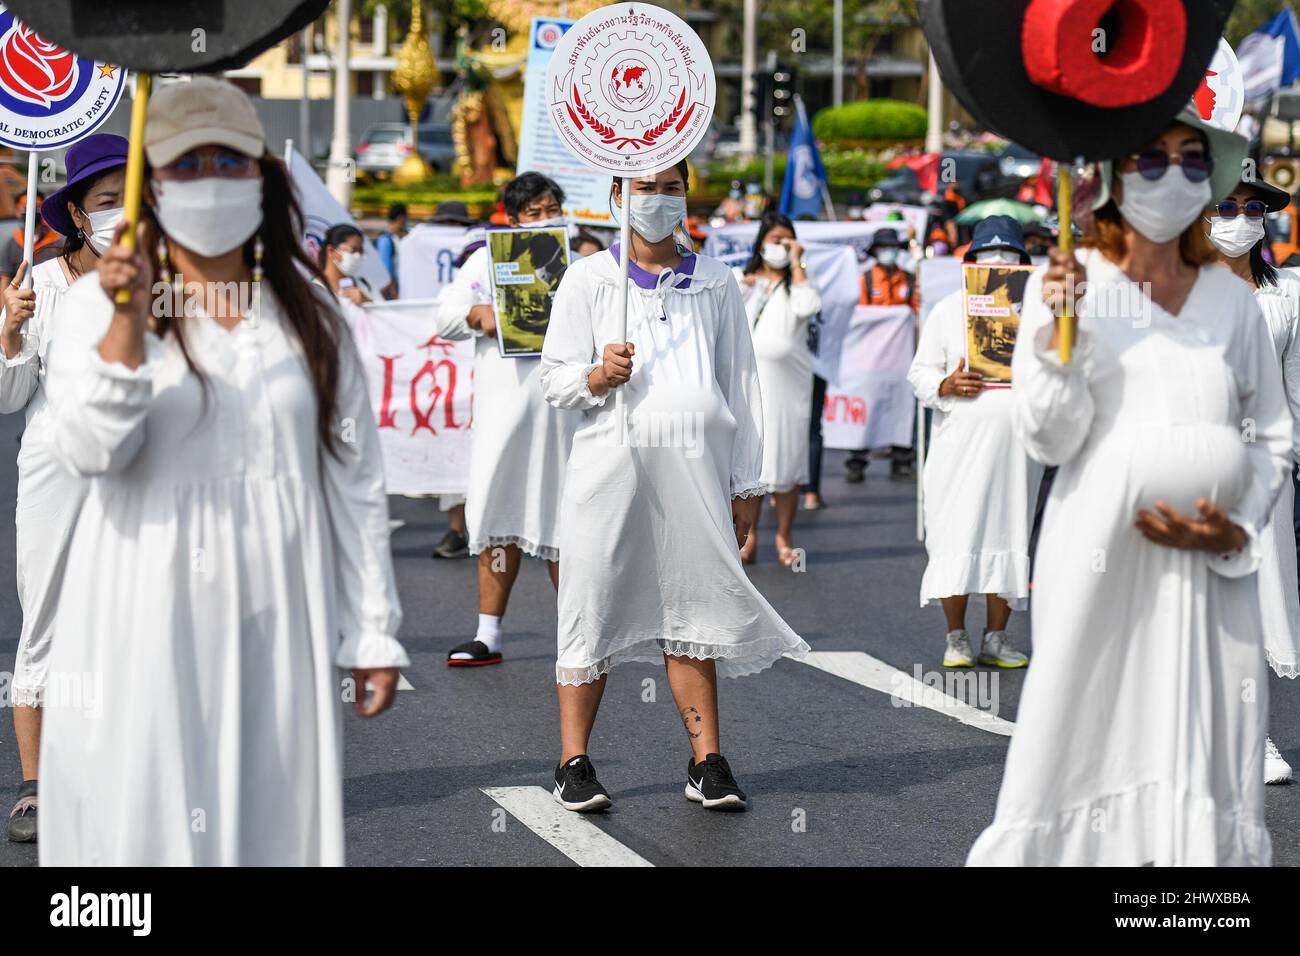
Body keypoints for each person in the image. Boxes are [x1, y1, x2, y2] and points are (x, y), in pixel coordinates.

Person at [37, 77, 407, 865]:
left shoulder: (310, 309)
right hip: (139, 616)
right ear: (153, 183)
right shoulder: (95, 307)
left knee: (270, 824)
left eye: (229, 161)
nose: (209, 179)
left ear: (262, 178)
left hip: (281, 618)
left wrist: (372, 626)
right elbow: (90, 450)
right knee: (142, 829)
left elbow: (354, 478)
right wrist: (127, 333)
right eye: (185, 163)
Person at [969, 110, 1288, 865]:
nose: (1172, 175)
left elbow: (1273, 434)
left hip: (1215, 570)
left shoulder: (1232, 300)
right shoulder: (1081, 291)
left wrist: (1235, 525)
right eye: (1151, 160)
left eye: (1189, 160)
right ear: (1112, 180)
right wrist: (1054, 333)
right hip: (1102, 556)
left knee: (1213, 738)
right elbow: (1047, 437)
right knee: (1087, 728)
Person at [539, 160, 809, 813]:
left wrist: (747, 483)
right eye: (643, 189)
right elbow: (554, 380)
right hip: (608, 474)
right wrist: (598, 376)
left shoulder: (714, 283)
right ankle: (573, 762)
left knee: (693, 612)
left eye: (670, 189)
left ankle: (706, 762)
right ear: (615, 196)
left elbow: (741, 386)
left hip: (694, 472)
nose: (657, 201)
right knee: (591, 604)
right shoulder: (588, 280)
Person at [0, 133, 127, 843]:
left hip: (134, 473)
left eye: (130, 201)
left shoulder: (161, 281)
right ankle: (36, 783)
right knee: (45, 617)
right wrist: (11, 337)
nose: (120, 215)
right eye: (106, 203)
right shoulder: (40, 283)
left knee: (132, 618)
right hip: (53, 471)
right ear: (77, 213)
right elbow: (9, 397)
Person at [434, 172, 577, 666]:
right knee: (498, 520)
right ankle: (488, 634)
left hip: (565, 419)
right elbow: (444, 318)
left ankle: (577, 637)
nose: (544, 219)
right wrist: (481, 315)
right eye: (533, 213)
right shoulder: (484, 261)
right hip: (503, 418)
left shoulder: (580, 266)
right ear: (512, 219)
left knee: (567, 526)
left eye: (551, 209)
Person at [907, 215, 1040, 670]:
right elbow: (919, 374)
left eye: (1008, 256)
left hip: (1018, 450)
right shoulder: (947, 310)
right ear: (971, 263)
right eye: (988, 256)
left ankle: (997, 637)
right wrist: (947, 383)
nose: (998, 263)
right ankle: (957, 636)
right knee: (956, 535)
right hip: (958, 448)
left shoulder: (1041, 314)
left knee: (1009, 534)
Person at [1205, 175, 1300, 785]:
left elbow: (1297, 384)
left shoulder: (1288, 292)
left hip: (1266, 468)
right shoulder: (1166, 291)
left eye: (1254, 207)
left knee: (1256, 598)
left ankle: (1253, 736)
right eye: (1228, 205)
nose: (1241, 217)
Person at [734, 212, 821, 564]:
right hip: (748, 385)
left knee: (786, 461)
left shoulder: (801, 283)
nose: (781, 247)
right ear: (761, 244)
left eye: (788, 240)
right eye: (775, 240)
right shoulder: (742, 281)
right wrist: (747, 284)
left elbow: (808, 307)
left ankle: (785, 537)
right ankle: (749, 536)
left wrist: (798, 262)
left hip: (789, 388)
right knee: (752, 463)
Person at [847, 227, 917, 483]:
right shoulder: (864, 279)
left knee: (901, 406)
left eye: (892, 247)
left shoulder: (909, 279)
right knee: (867, 407)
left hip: (900, 357)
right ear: (876, 251)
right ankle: (856, 460)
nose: (889, 252)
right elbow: (860, 318)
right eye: (884, 247)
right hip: (871, 357)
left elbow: (916, 314)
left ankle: (901, 459)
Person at [0, 194, 62, 289]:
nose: (31, 211)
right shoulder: (11, 244)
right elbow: (5, 278)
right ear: (17, 211)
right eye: (25, 208)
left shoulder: (58, 243)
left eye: (37, 207)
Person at [318, 223, 376, 305]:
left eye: (360, 251)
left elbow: (387, 314)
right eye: (353, 250)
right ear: (330, 251)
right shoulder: (315, 289)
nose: (357, 256)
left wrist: (367, 302)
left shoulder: (366, 285)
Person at [374, 201, 407, 293]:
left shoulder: (400, 236)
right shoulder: (385, 240)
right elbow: (387, 269)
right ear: (401, 218)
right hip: (392, 288)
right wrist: (394, 292)